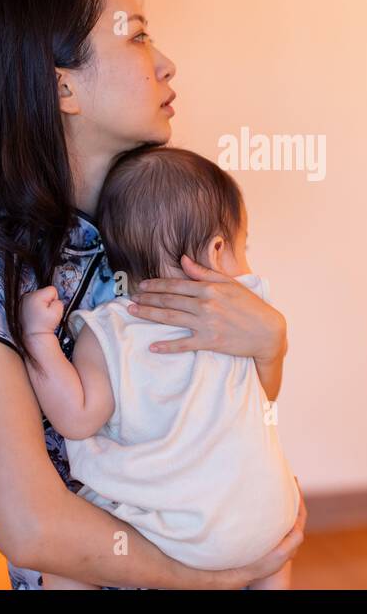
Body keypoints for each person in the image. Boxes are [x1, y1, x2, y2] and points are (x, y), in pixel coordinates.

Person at [0, 0, 305, 589]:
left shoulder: (165, 219)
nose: (166, 64)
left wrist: (271, 348)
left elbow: (213, 400)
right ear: (62, 85)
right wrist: (203, 578)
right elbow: (30, 525)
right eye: (137, 38)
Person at [21, 146, 300, 590]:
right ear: (218, 249)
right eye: (244, 247)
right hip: (267, 520)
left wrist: (38, 339)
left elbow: (76, 419)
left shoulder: (112, 330)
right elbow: (265, 395)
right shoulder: (248, 306)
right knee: (274, 541)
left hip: (176, 534)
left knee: (62, 563)